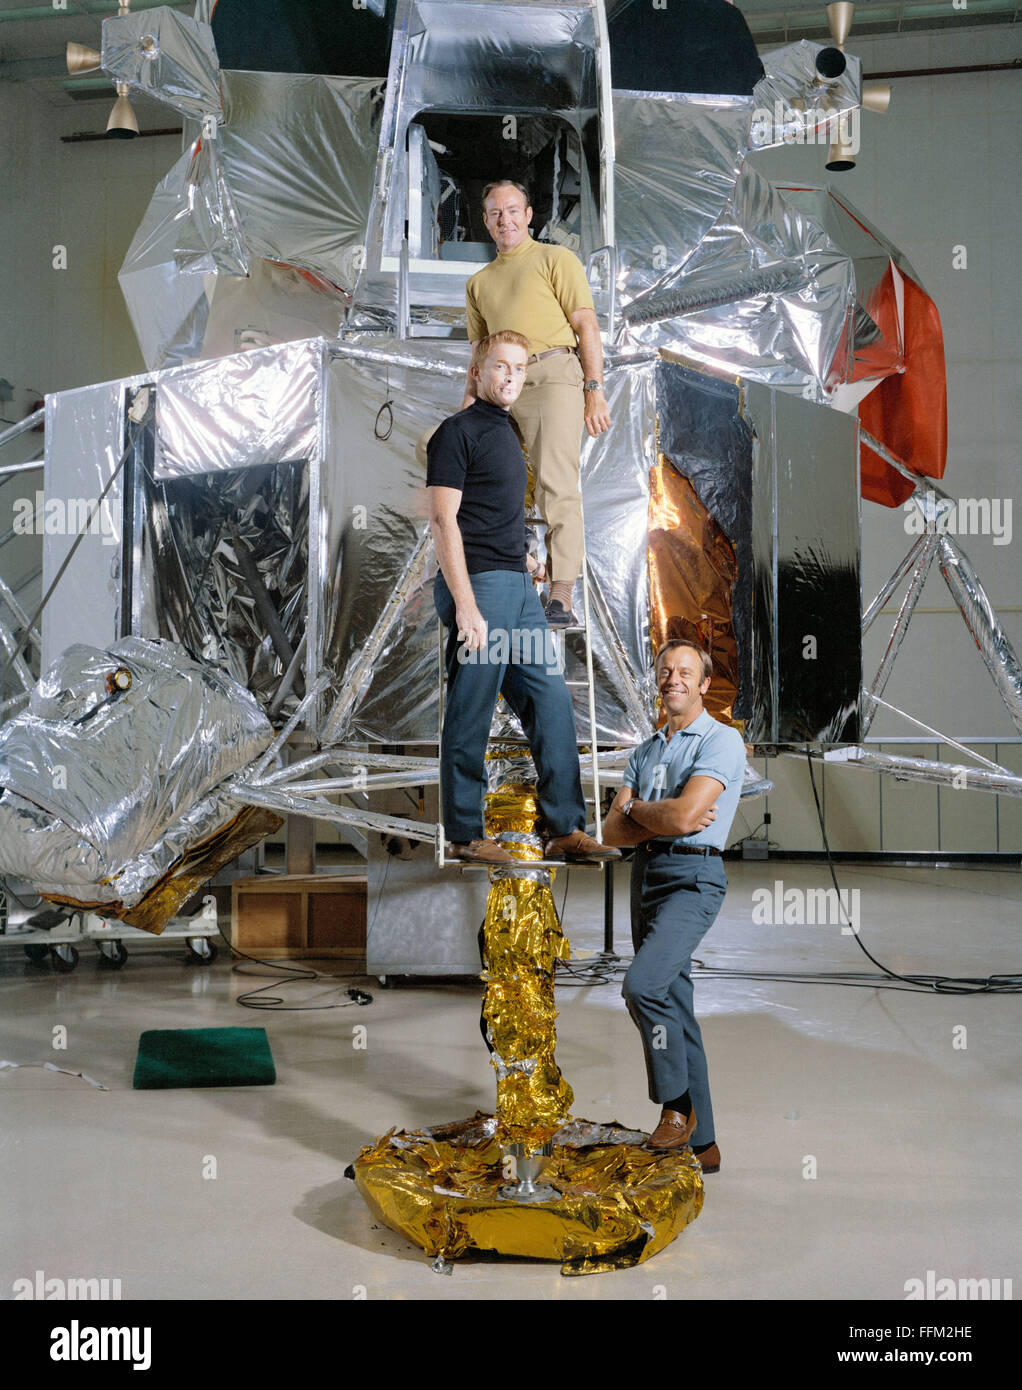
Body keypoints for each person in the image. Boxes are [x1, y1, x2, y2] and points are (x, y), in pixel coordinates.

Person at [427, 328, 620, 867]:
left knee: (552, 701)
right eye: (499, 366)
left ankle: (564, 830)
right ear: (477, 372)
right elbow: (444, 520)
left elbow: (492, 516)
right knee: (471, 709)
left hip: (516, 588)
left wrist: (528, 562)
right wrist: (465, 605)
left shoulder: (508, 430)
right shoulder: (455, 433)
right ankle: (465, 834)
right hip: (480, 589)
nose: (510, 376)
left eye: (518, 368)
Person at [602, 640, 746, 1173]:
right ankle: (704, 1145)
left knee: (643, 986)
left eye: (686, 672)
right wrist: (647, 815)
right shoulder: (645, 750)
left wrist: (640, 810)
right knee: (676, 1009)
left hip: (693, 876)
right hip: (647, 876)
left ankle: (676, 1105)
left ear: (704, 684)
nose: (674, 679)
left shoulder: (722, 741)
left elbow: (687, 820)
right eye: (666, 671)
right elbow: (615, 831)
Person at [459, 180, 611, 627]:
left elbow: (586, 326)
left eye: (512, 210)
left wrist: (594, 388)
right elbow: (478, 357)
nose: (504, 219)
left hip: (551, 374)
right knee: (446, 452)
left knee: (554, 479)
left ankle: (562, 589)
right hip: (500, 382)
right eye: (494, 213)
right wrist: (466, 412)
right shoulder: (478, 283)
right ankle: (514, 561)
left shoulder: (555, 259)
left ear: (528, 216)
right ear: (486, 222)